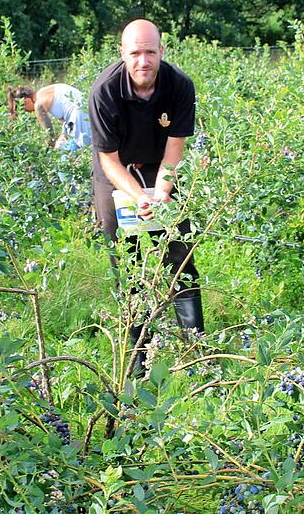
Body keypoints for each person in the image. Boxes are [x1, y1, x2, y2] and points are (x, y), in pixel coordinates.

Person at [88, 19, 203, 362]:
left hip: (158, 165)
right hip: (116, 171)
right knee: (127, 257)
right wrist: (139, 196)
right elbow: (109, 161)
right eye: (135, 53)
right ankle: (138, 357)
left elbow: (174, 152)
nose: (143, 61)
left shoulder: (179, 85)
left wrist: (162, 192)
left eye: (150, 52)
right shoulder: (104, 91)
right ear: (123, 53)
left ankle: (196, 351)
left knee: (179, 251)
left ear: (161, 52)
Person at [7, 83, 92, 151]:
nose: (28, 112)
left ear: (26, 101)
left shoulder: (39, 105)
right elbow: (65, 127)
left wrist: (46, 151)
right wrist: (59, 144)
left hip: (80, 114)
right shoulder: (44, 92)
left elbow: (49, 135)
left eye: (24, 109)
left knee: (86, 148)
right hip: (88, 106)